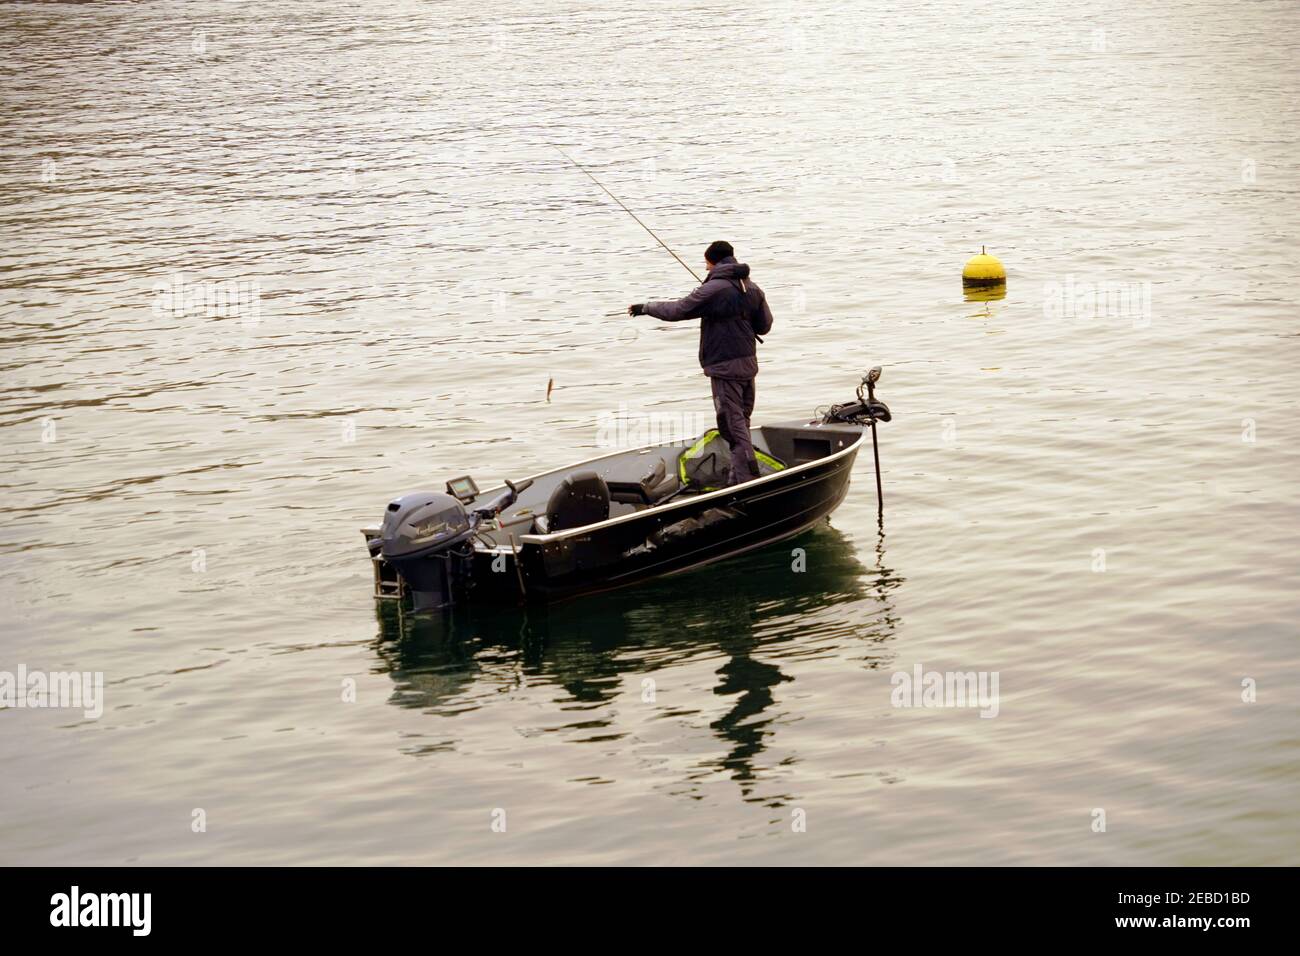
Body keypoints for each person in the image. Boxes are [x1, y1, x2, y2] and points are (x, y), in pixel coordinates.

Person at [628, 241, 774, 487]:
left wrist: (646, 308)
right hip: (748, 366)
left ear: (713, 262)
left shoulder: (714, 289)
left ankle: (748, 481)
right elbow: (765, 326)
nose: (706, 269)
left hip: (724, 368)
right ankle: (735, 477)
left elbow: (679, 310)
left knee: (731, 426)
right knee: (741, 423)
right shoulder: (753, 288)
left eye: (706, 264)